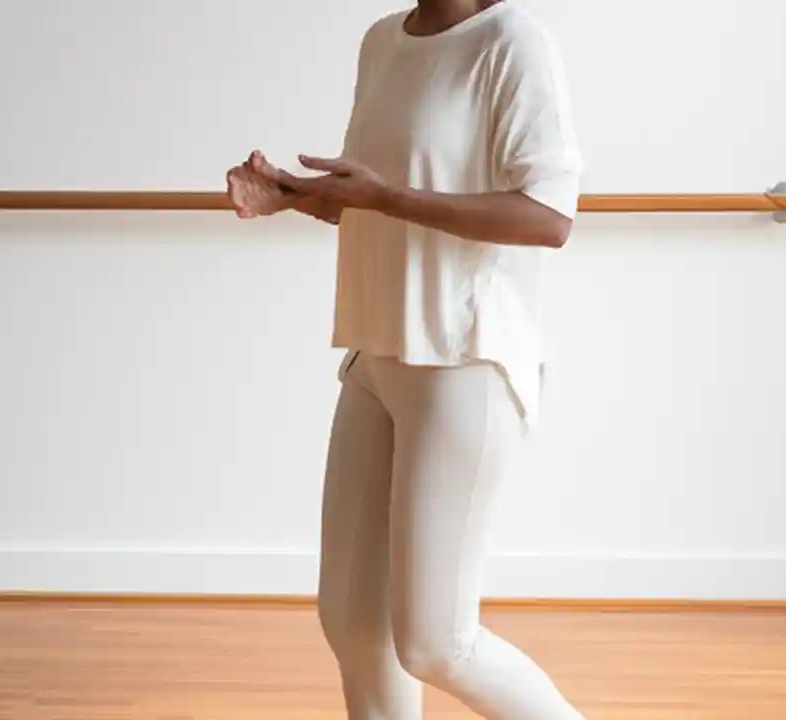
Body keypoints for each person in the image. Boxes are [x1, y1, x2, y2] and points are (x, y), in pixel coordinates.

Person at [225, 1, 584, 717]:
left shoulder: (511, 42)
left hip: (463, 360)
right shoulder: (381, 42)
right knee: (355, 626)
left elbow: (549, 215)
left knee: (435, 642)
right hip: (377, 349)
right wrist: (301, 199)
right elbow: (380, 194)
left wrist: (384, 196)